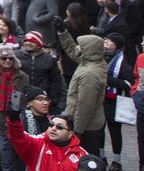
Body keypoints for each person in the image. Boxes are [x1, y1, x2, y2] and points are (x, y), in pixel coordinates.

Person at [57, 20, 107, 157]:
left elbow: (85, 106)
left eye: (82, 46)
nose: (78, 48)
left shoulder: (90, 74)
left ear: (88, 50)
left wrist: (76, 131)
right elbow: (73, 51)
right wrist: (63, 32)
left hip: (86, 127)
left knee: (85, 159)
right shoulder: (93, 61)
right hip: (89, 124)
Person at [5, 109, 87, 171]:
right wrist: (14, 120)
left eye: (59, 127)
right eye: (51, 125)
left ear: (70, 134)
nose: (54, 129)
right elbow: (18, 137)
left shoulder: (82, 155)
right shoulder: (38, 144)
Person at [102, 34, 133, 171]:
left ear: (117, 45)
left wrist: (107, 79)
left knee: (115, 132)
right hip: (100, 100)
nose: (105, 43)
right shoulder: (103, 57)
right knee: (99, 130)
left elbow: (128, 84)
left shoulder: (123, 63)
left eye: (109, 42)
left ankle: (117, 161)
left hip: (114, 103)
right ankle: (101, 156)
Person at [18, 31, 67, 110]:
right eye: (26, 41)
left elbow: (57, 80)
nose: (28, 43)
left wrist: (52, 98)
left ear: (39, 44)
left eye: (32, 41)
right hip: (22, 99)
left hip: (43, 100)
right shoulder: (16, 56)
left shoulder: (49, 59)